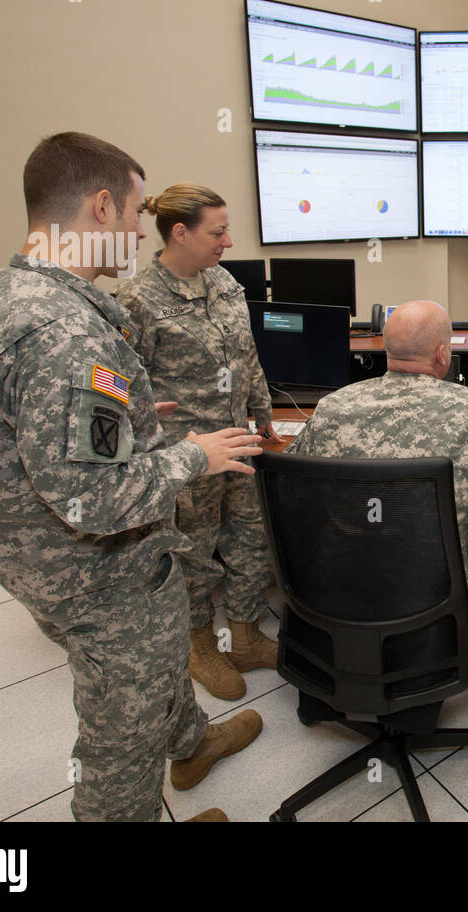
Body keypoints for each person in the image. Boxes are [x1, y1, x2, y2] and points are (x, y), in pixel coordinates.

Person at [0, 132, 264, 822]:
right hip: (101, 576)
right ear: (102, 207)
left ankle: (193, 742)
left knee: (162, 659)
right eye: (138, 214)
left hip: (24, 556)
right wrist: (191, 454)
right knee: (121, 735)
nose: (141, 234)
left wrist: (134, 413)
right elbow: (96, 498)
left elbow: (14, 426)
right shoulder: (70, 335)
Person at [114, 183, 281, 701]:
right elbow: (118, 381)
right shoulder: (139, 299)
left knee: (249, 536)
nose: (228, 241)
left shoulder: (224, 281)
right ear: (179, 233)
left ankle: (248, 634)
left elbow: (247, 354)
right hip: (188, 454)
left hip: (239, 441)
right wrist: (148, 444)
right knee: (194, 549)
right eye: (218, 231)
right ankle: (200, 644)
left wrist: (263, 413)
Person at [285, 299, 468, 613]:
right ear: (442, 354)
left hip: (342, 583)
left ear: (388, 350)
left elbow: (291, 491)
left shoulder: (334, 406)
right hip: (442, 591)